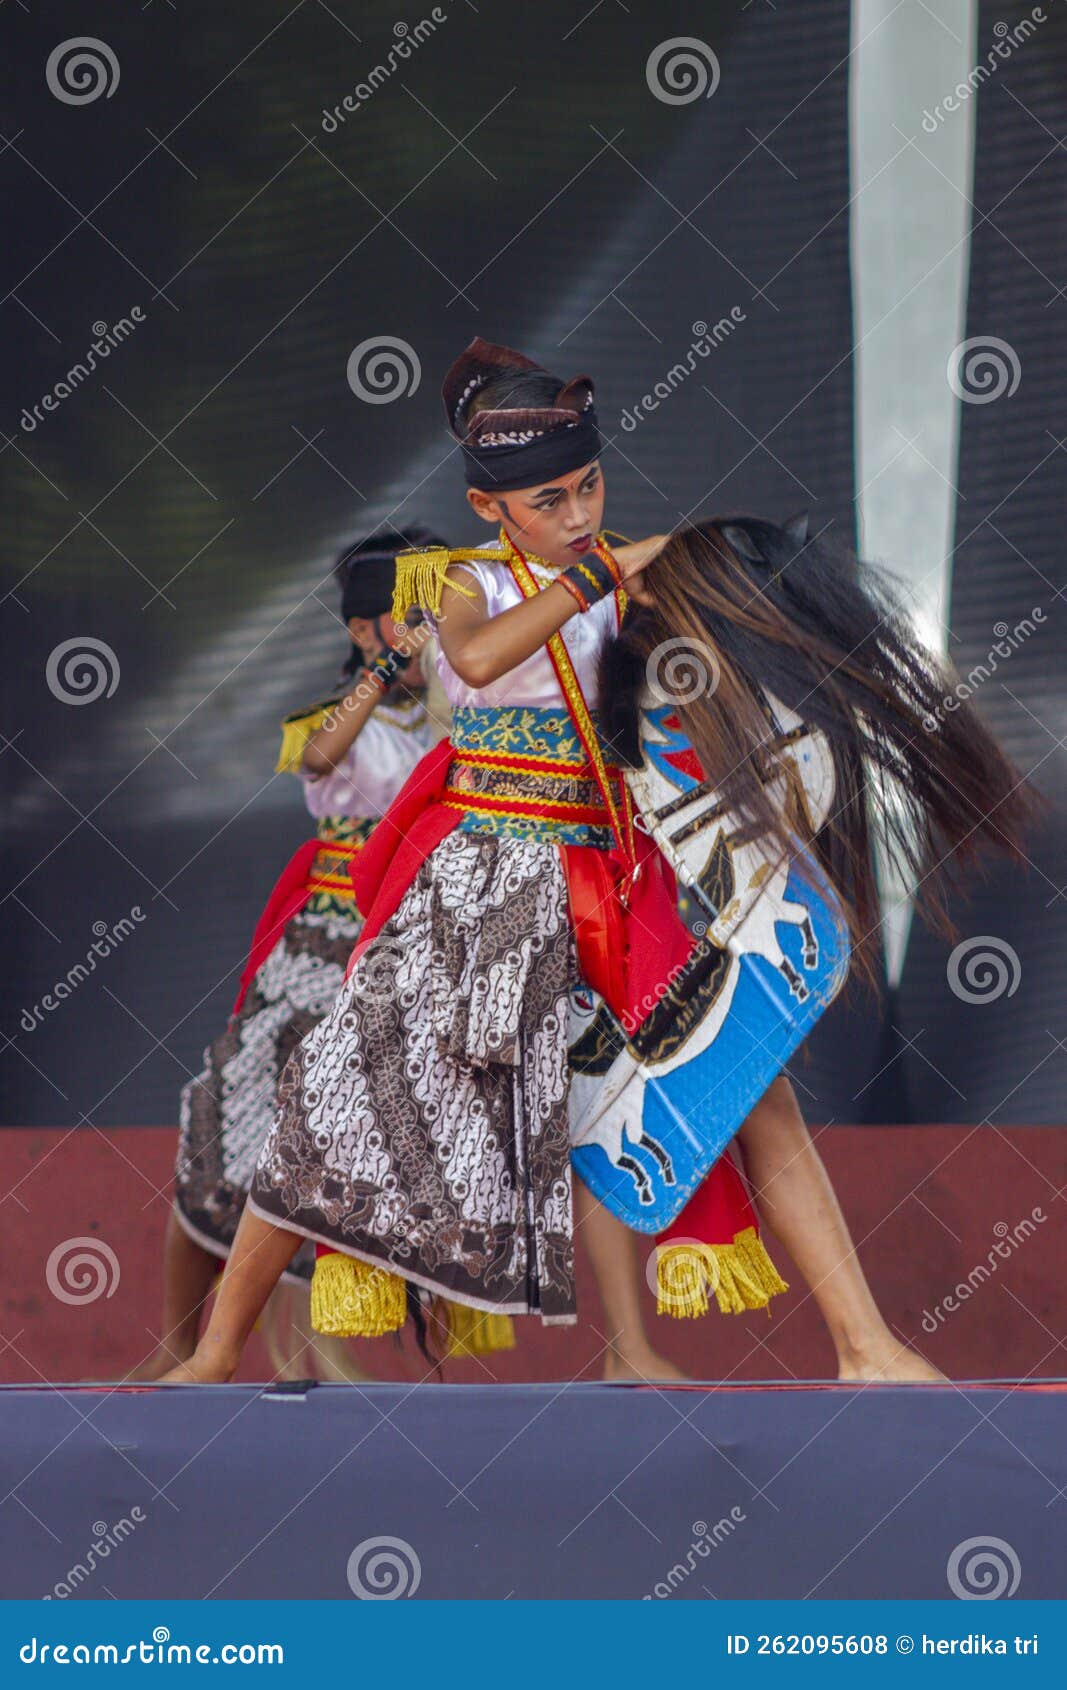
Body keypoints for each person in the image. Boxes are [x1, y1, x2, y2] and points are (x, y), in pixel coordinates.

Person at [158, 337, 787, 1387]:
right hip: (478, 883)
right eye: (551, 498)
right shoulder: (468, 584)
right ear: (492, 505)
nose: (580, 512)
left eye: (589, 486)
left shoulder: (609, 575)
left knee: (642, 1090)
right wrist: (594, 573)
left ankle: (642, 1349)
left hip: (598, 871)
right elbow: (473, 665)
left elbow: (674, 675)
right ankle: (214, 1348)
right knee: (330, 1105)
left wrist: (705, 571)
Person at [597, 513, 1040, 1381]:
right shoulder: (572, 640)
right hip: (549, 904)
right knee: (589, 1114)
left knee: (742, 1103)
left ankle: (849, 1344)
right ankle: (655, 1349)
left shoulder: (690, 687)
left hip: (651, 917)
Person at [130, 526, 453, 1382]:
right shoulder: (334, 721)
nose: (433, 629)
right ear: (362, 631)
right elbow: (317, 756)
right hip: (328, 944)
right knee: (230, 1120)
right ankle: (184, 1350)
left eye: (440, 610)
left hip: (422, 949)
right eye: (408, 614)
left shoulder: (464, 716)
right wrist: (393, 667)